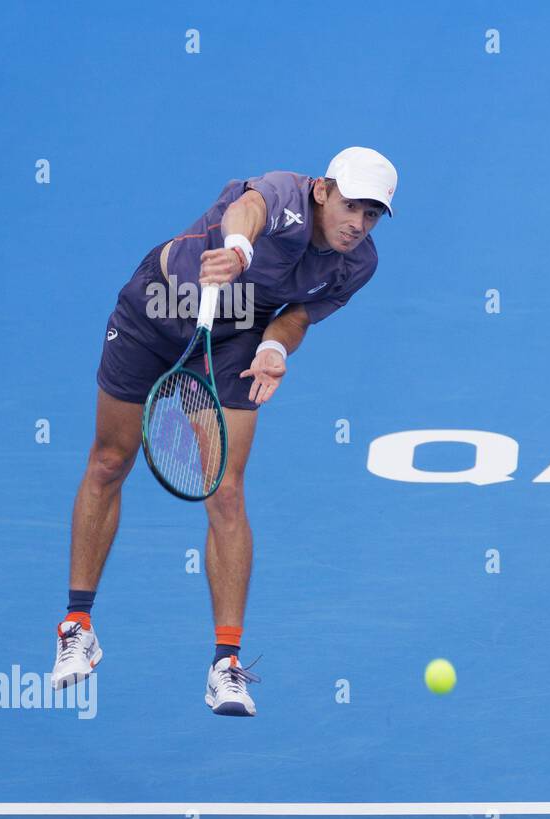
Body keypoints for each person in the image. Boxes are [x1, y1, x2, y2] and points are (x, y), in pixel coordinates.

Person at [51, 146, 398, 716]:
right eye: (351, 206)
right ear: (323, 191)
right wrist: (237, 249)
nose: (358, 224)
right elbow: (249, 211)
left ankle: (226, 665)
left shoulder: (356, 264)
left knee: (226, 489)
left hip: (232, 340)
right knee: (110, 461)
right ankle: (76, 625)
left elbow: (300, 313)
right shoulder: (284, 193)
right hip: (154, 311)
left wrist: (272, 346)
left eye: (372, 214)